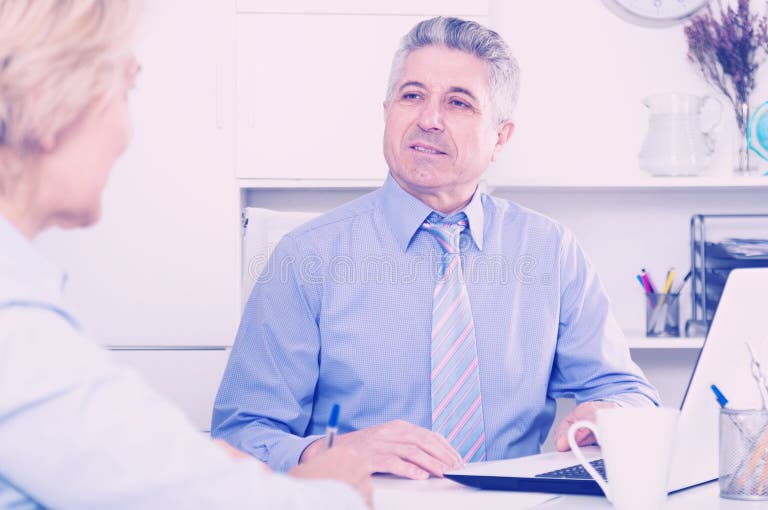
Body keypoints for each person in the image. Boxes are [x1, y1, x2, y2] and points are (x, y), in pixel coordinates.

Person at [212, 16, 660, 479]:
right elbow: (240, 434)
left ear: (501, 137)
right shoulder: (305, 257)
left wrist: (608, 413)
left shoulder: (551, 251)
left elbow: (628, 391)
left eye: (459, 103)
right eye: (412, 96)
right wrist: (333, 451)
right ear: (387, 111)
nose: (429, 120)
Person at [0, 1, 371, 508]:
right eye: (124, 90)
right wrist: (332, 489)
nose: (127, 135)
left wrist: (208, 472)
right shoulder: (16, 326)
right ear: (47, 105)